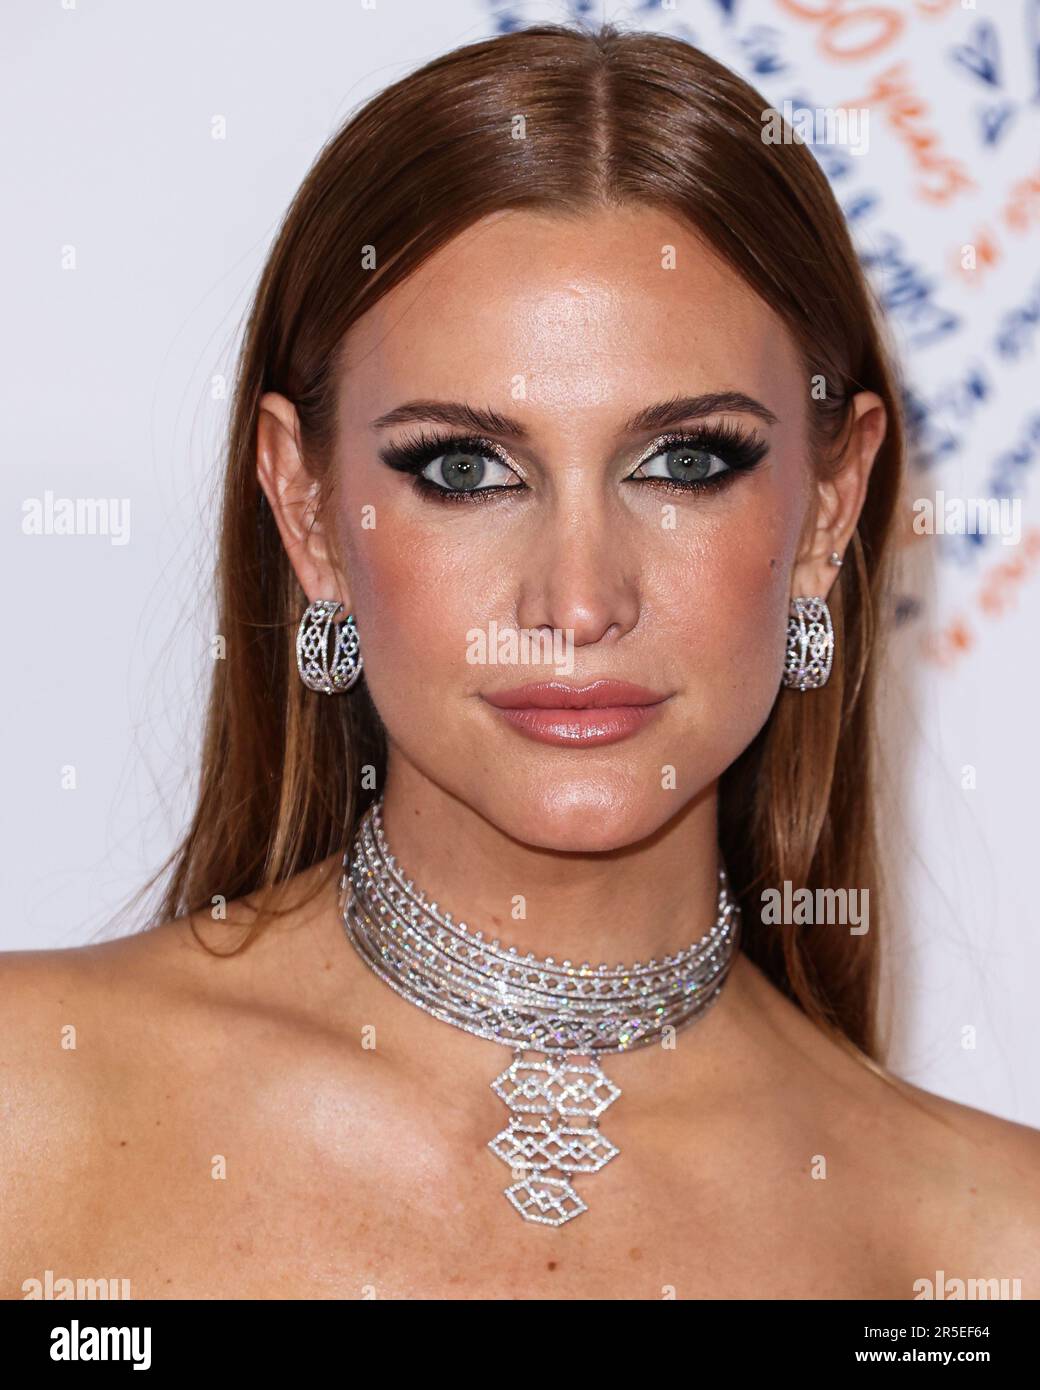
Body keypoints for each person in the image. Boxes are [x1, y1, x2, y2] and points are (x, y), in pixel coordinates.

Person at [3, 21, 1037, 1301]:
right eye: (461, 468)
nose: (578, 600)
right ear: (309, 509)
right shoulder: (26, 1109)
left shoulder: (987, 1252)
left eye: (686, 463)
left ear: (828, 508)